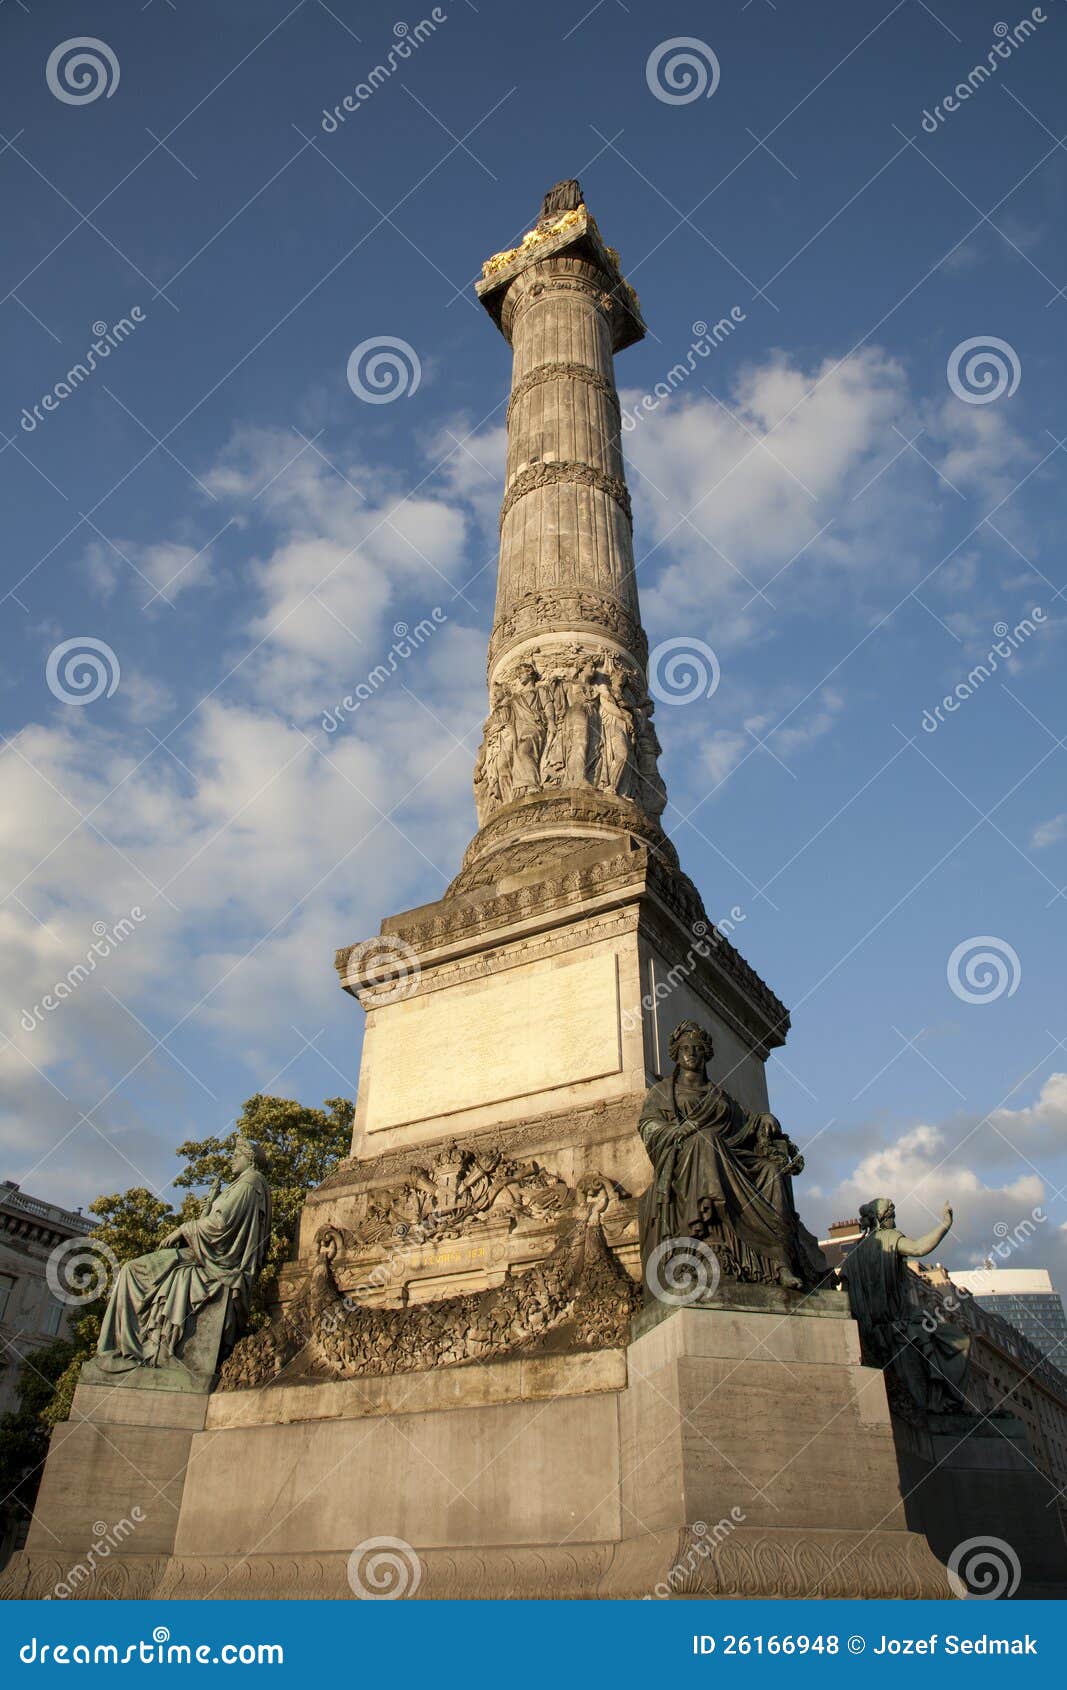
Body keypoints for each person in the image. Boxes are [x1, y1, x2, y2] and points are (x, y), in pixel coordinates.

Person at [637, 1020, 825, 1290]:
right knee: (706, 1141)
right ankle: (703, 1237)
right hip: (693, 1158)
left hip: (730, 1155)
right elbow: (649, 1127)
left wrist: (763, 1119)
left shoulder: (719, 1095)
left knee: (771, 1171)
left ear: (706, 1054)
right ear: (676, 1054)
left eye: (697, 1048)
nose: (691, 1053)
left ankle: (779, 1261)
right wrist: (681, 1130)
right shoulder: (664, 1093)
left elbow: (744, 1124)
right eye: (685, 1048)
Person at [94, 1138, 272, 1374]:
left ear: (248, 1159)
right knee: (132, 1270)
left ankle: (127, 1350)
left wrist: (183, 1229)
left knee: (131, 1271)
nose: (230, 1160)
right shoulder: (245, 1184)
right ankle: (126, 1349)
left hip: (215, 1260)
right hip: (208, 1254)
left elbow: (220, 1226)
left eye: (235, 1156)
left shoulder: (248, 1184)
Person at [840, 1196, 971, 1413]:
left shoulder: (851, 1258)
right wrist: (945, 1225)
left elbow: (846, 1298)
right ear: (881, 1220)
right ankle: (944, 1402)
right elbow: (919, 1248)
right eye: (891, 1216)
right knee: (959, 1341)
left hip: (869, 1331)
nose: (894, 1220)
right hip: (898, 1326)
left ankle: (938, 1402)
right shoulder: (888, 1238)